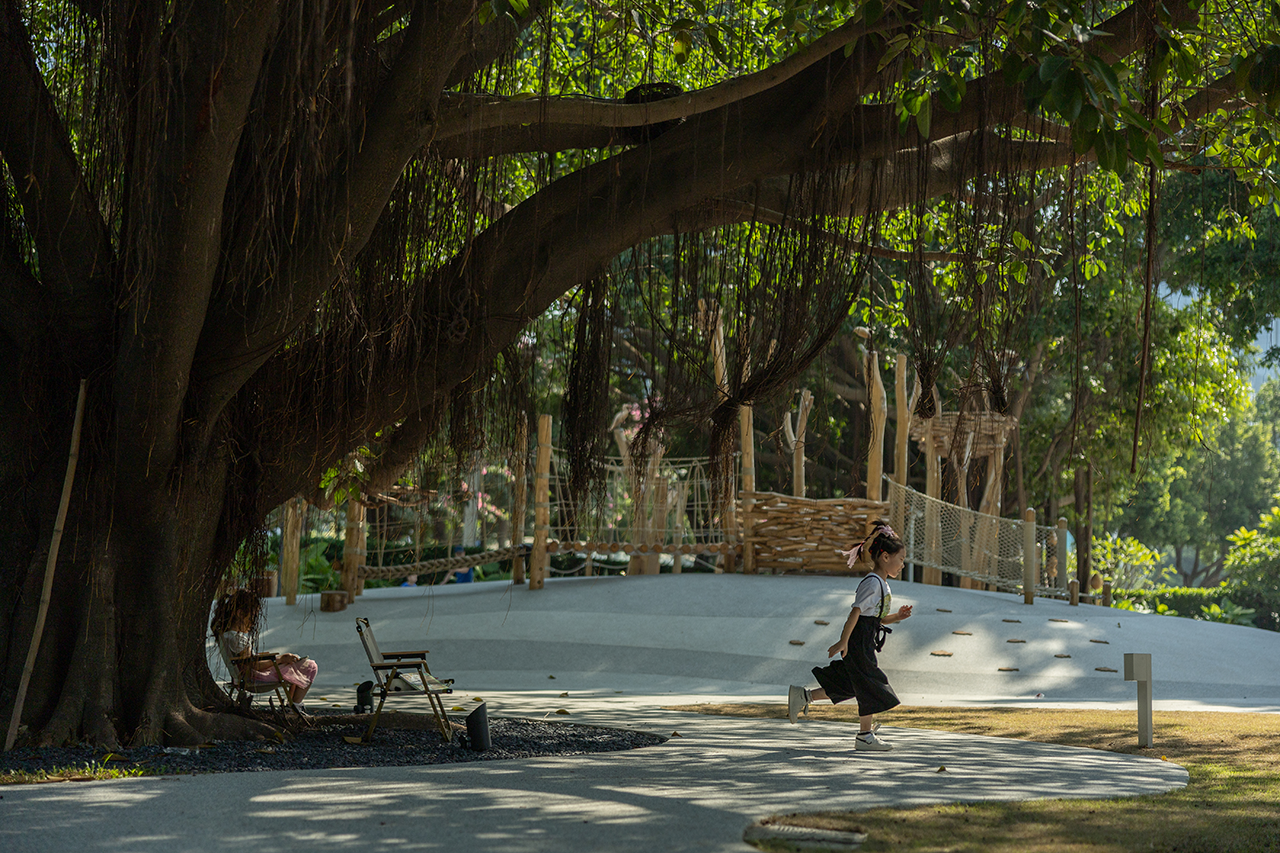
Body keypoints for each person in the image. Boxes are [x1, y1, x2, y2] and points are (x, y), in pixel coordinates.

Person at [787, 522, 913, 751]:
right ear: (885, 557)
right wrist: (844, 641)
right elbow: (855, 613)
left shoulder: (883, 584)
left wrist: (897, 617)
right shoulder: (872, 583)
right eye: (901, 559)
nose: (903, 564)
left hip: (866, 639)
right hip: (858, 641)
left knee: (853, 684)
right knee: (871, 684)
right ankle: (865, 736)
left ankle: (803, 697)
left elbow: (877, 619)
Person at [211, 589, 319, 715]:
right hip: (254, 677)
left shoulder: (227, 635)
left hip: (246, 676)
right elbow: (254, 664)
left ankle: (293, 706)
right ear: (240, 614)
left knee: (296, 666)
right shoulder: (237, 638)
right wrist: (281, 659)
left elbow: (247, 660)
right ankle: (295, 706)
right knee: (310, 666)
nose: (253, 622)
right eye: (252, 617)